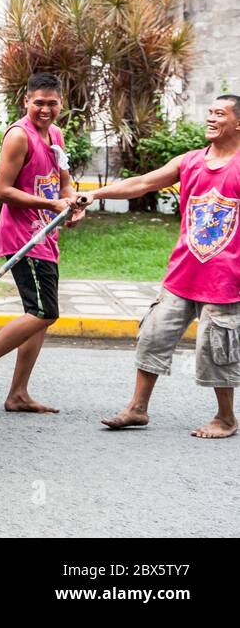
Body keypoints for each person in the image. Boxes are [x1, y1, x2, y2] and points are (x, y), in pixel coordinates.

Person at [93, 95, 240, 438]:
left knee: (217, 348)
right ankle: (137, 409)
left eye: (220, 113)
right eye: (210, 112)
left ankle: (226, 418)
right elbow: (143, 183)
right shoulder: (189, 162)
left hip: (225, 281)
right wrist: (97, 195)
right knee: (153, 336)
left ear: (238, 123)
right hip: (182, 274)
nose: (211, 118)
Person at [0, 73, 82, 413]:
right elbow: (2, 191)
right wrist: (52, 205)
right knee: (44, 312)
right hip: (23, 237)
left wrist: (71, 203)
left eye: (52, 103)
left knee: (36, 314)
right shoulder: (18, 136)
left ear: (61, 104)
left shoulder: (56, 135)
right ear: (26, 101)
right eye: (38, 102)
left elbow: (64, 182)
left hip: (46, 235)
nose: (45, 109)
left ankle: (18, 394)